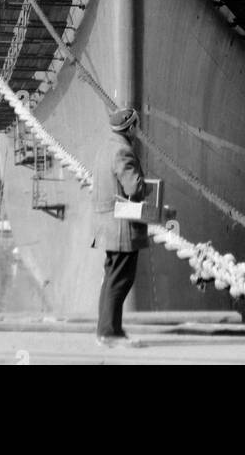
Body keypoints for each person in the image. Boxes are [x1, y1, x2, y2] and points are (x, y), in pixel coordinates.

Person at [91, 106, 148, 346]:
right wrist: (146, 187)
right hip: (122, 227)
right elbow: (134, 188)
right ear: (131, 127)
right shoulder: (123, 150)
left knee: (111, 278)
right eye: (137, 125)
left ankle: (109, 328)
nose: (138, 129)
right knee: (121, 280)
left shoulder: (105, 148)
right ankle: (108, 333)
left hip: (106, 226)